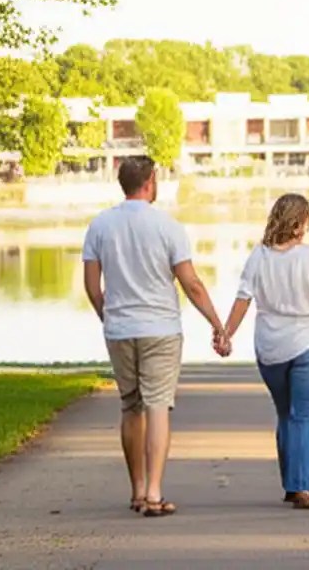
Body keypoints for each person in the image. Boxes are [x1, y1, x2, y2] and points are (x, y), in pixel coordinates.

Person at [82, 156, 225, 518]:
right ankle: (155, 494)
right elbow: (190, 283)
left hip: (120, 329)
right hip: (160, 328)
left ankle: (137, 491)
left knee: (131, 406)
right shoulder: (168, 226)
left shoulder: (100, 225)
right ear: (149, 182)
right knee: (158, 405)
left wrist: (108, 316)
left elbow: (91, 285)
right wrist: (216, 323)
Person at [213, 193, 309, 510]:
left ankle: (291, 484)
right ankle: (302, 488)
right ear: (300, 223)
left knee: (286, 414)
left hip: (271, 348)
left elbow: (243, 301)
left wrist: (226, 334)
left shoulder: (258, 258)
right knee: (304, 416)